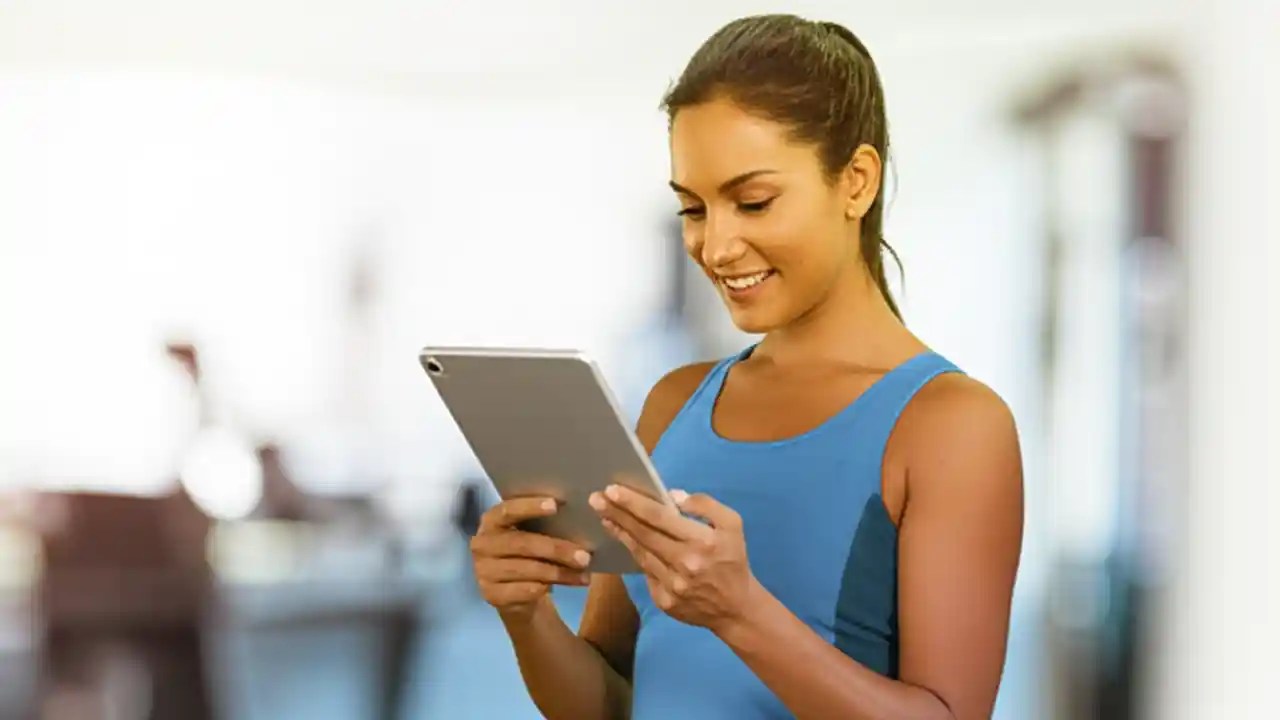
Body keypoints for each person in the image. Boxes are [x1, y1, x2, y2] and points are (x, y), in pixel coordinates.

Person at [467, 14, 1023, 720]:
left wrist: (740, 612)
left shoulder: (952, 425)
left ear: (856, 182)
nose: (717, 245)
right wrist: (525, 612)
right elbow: (607, 703)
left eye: (753, 202)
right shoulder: (674, 404)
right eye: (693, 208)